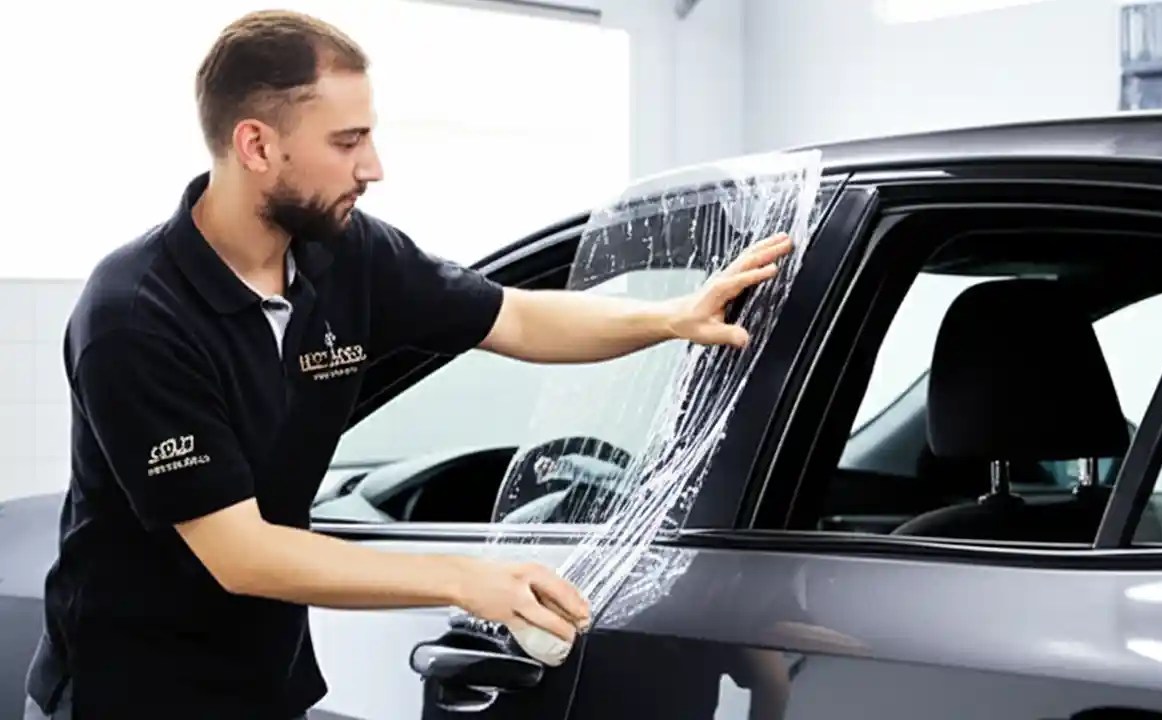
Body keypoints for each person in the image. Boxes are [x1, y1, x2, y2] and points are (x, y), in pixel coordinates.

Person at [23, 9, 794, 720]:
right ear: (257, 145)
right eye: (347, 141)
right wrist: (466, 577)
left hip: (265, 685)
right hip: (129, 696)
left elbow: (515, 316)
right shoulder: (135, 316)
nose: (375, 166)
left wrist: (670, 318)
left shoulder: (346, 254)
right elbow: (243, 553)